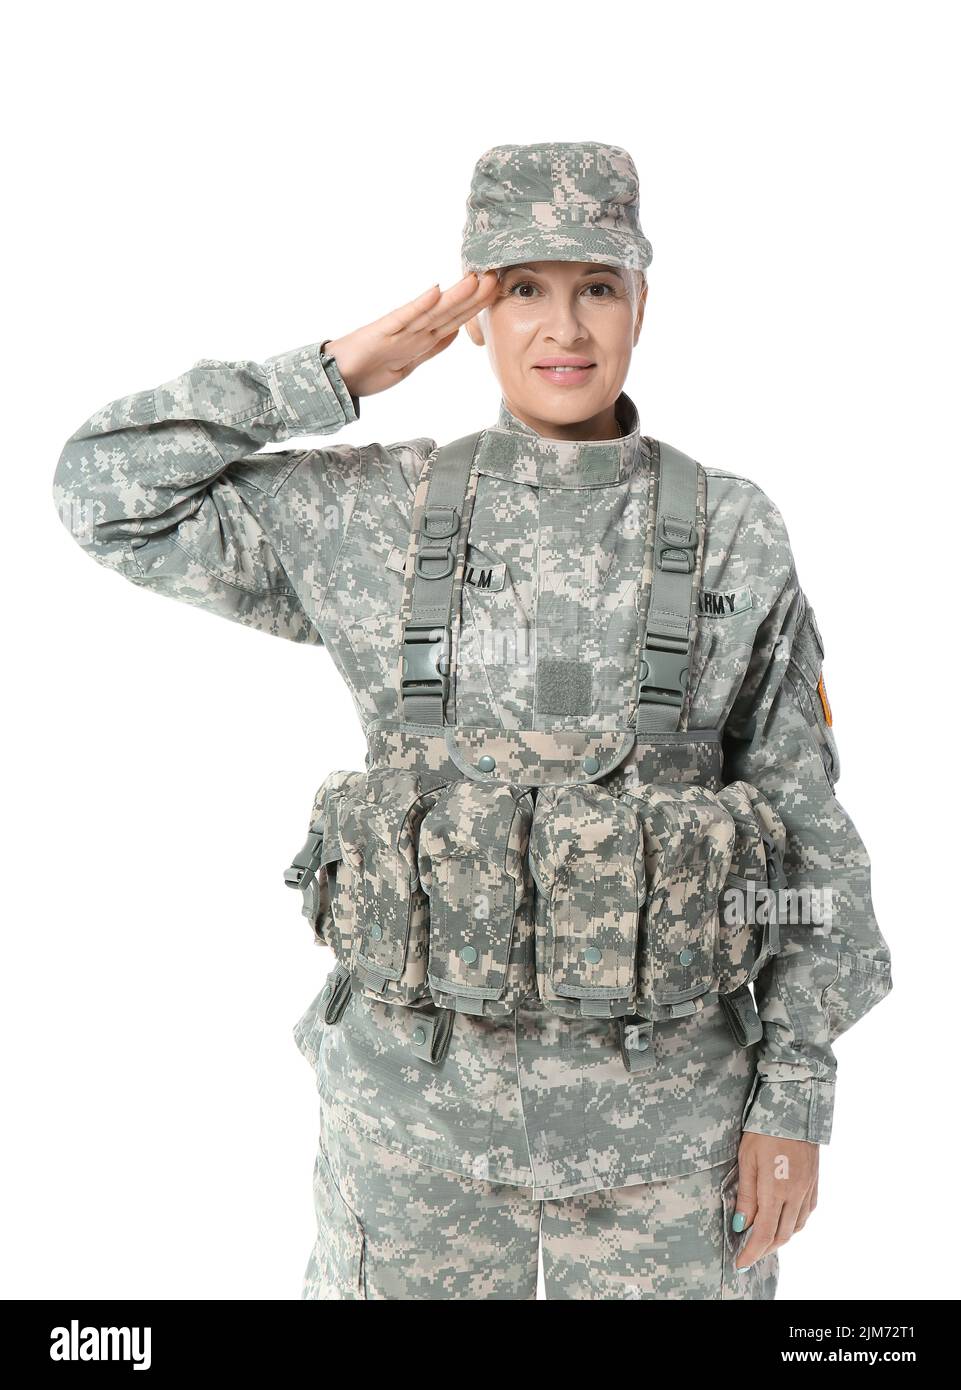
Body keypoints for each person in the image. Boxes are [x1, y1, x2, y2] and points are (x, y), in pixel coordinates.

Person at [52, 141, 892, 1301]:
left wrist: (796, 1092)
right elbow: (105, 491)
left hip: (671, 1148)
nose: (567, 328)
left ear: (643, 303)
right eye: (523, 289)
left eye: (598, 286)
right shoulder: (376, 513)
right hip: (413, 1141)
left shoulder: (733, 528)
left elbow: (802, 827)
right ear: (473, 310)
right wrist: (330, 373)